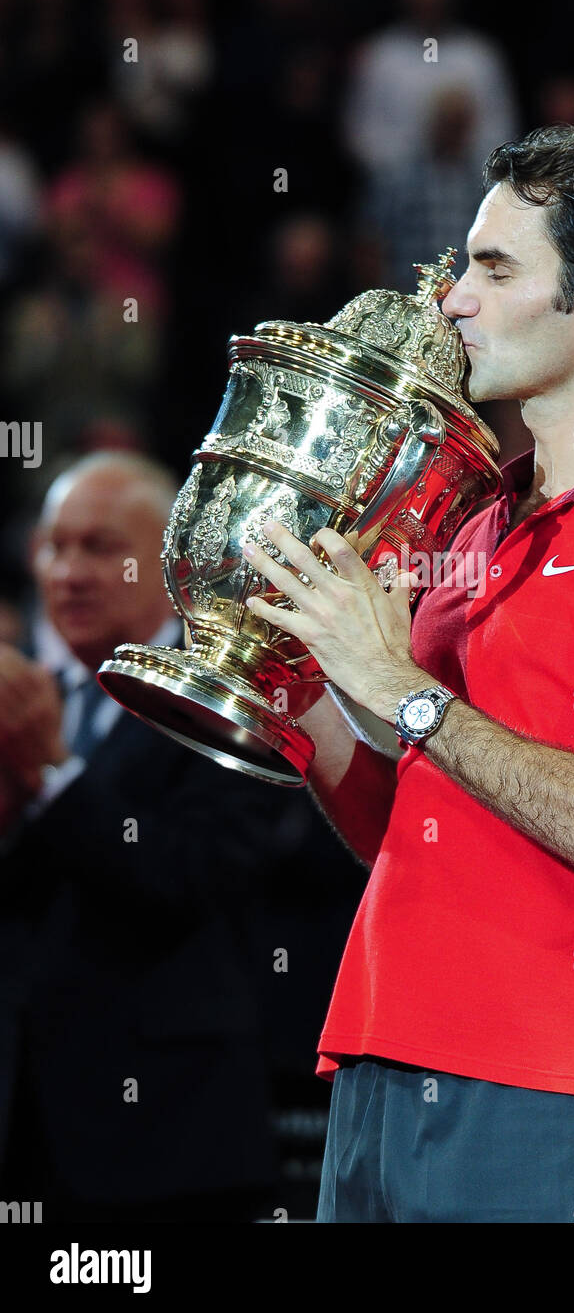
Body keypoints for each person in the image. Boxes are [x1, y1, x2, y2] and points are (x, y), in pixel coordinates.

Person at [242, 122, 574, 1223]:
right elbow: (414, 820)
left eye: (494, 269)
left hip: (557, 1078)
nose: (451, 302)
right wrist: (308, 687)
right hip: (378, 1056)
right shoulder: (473, 517)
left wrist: (399, 689)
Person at [0, 451, 361, 1221]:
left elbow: (191, 876)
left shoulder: (232, 695)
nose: (69, 571)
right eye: (55, 546)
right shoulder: (24, 695)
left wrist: (53, 772)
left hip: (166, 1140)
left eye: (101, 548)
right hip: (25, 1130)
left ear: (167, 555)